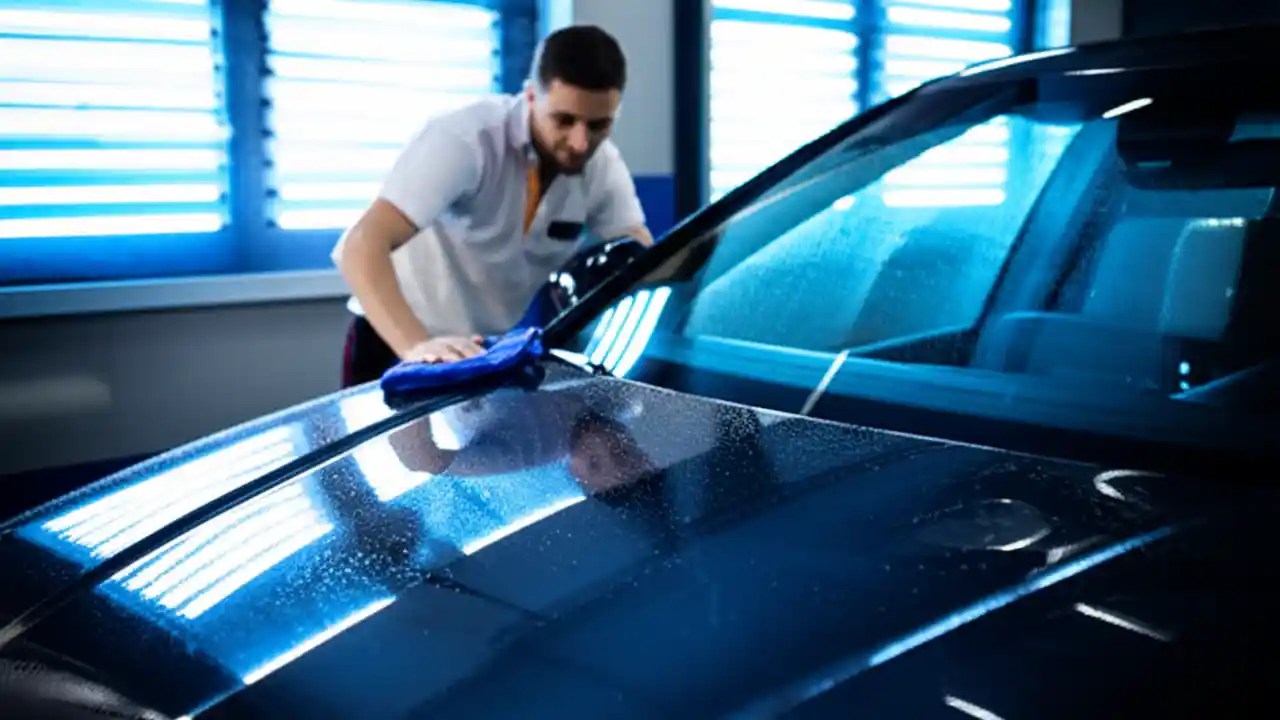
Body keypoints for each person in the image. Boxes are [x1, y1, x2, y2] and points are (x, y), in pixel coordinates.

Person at [334, 24, 653, 387]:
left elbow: (643, 257)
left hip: (482, 349)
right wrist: (417, 348)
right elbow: (360, 245)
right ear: (531, 97)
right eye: (564, 120)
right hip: (397, 338)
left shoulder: (602, 165)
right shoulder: (466, 138)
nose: (581, 142)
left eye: (599, 125)